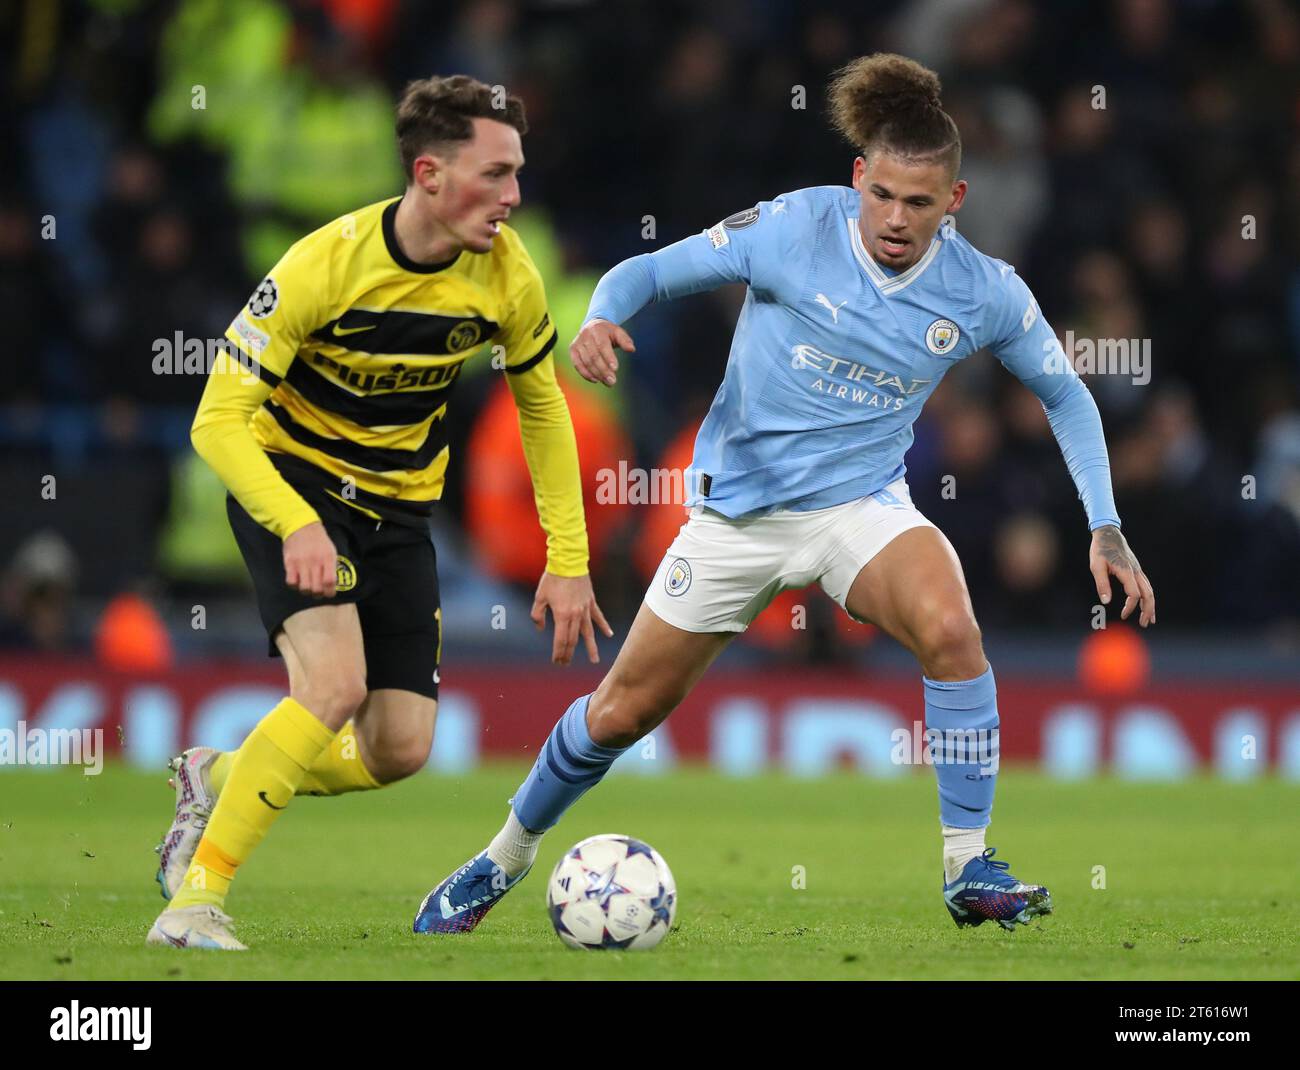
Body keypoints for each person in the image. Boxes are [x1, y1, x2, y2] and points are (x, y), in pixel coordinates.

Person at [414, 54, 1155, 937]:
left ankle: (968, 867)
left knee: (952, 626)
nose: (894, 218)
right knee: (622, 710)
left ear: (952, 203)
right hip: (736, 518)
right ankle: (500, 859)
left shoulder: (984, 290)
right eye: (881, 195)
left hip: (858, 510)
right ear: (858, 178)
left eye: (919, 204)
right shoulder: (793, 227)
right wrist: (606, 317)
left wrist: (1104, 525)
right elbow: (649, 272)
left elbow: (1066, 393)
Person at [148, 75, 610, 951]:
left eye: (519, 174)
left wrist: (569, 555)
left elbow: (542, 408)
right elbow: (218, 419)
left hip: (399, 511)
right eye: (495, 173)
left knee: (398, 748)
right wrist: (296, 522)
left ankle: (220, 774)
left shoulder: (506, 275)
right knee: (331, 688)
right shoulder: (324, 264)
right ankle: (195, 902)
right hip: (298, 487)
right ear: (429, 174)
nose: (514, 196)